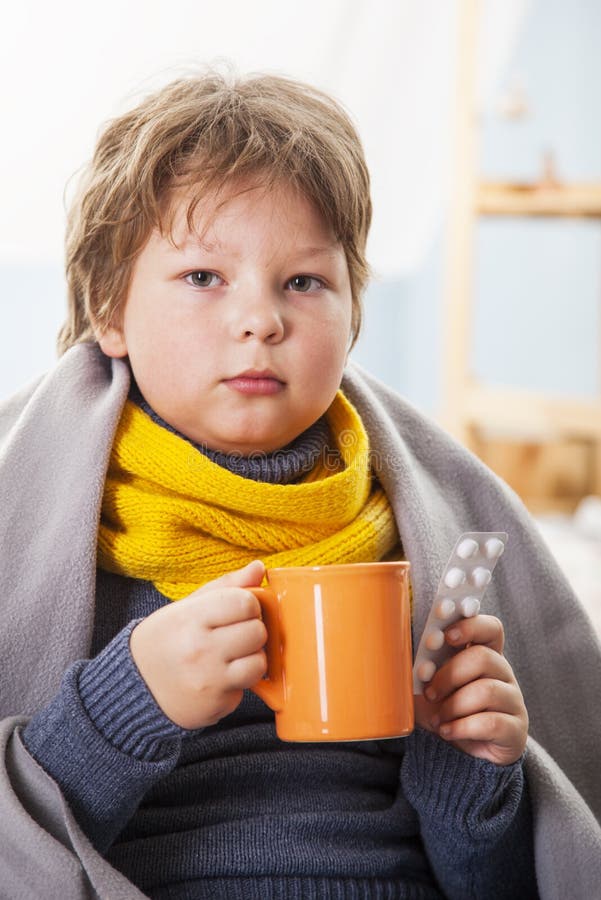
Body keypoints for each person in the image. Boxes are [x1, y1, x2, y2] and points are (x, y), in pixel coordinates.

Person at [0, 70, 600, 900]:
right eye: (203, 277)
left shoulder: (420, 529)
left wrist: (468, 767)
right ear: (109, 308)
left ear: (352, 317)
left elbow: (504, 882)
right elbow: (23, 857)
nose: (261, 319)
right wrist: (125, 705)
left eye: (303, 282)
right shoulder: (49, 522)